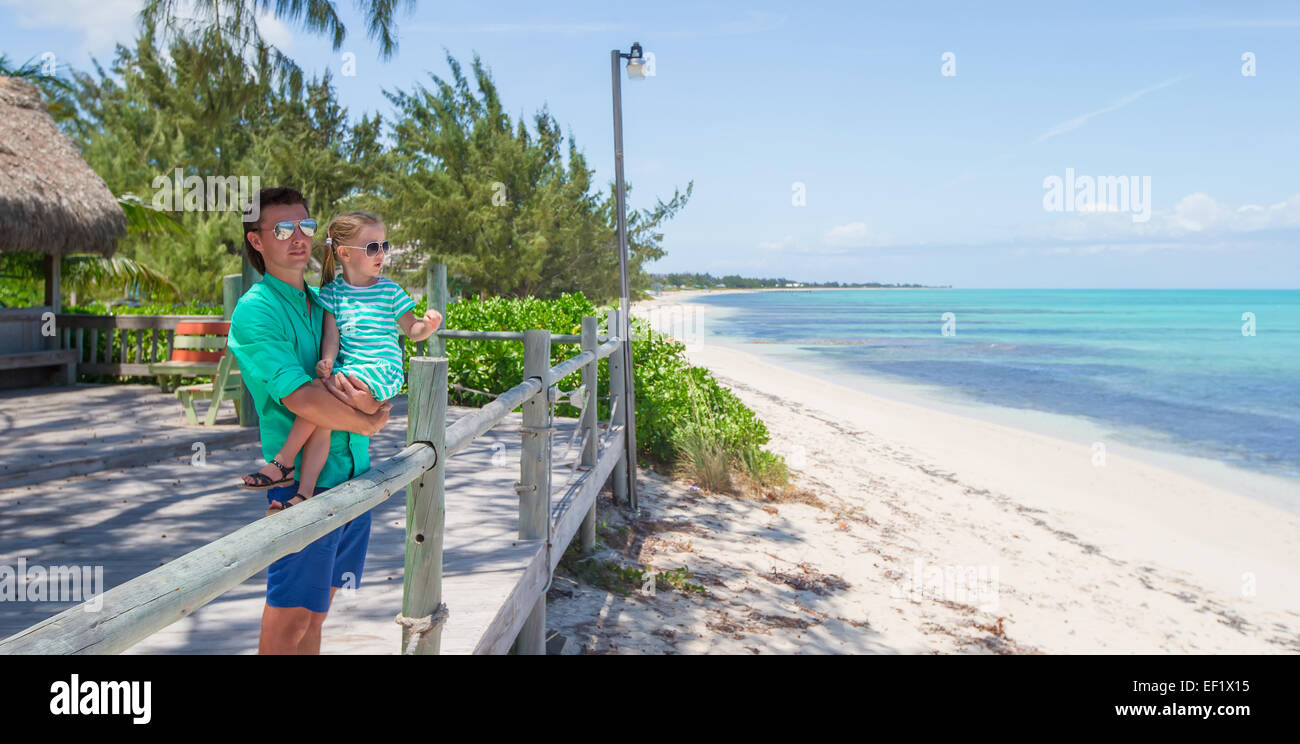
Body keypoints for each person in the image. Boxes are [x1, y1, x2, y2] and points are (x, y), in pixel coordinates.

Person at [227, 186, 391, 654]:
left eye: (305, 225)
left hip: (356, 475)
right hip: (305, 486)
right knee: (289, 621)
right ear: (256, 241)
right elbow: (302, 398)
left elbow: (366, 369)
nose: (297, 237)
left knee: (317, 617)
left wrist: (373, 407)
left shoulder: (325, 303)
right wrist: (369, 421)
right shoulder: (256, 310)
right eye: (282, 228)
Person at [238, 210, 442, 502]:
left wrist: (429, 325)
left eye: (385, 246)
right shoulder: (332, 294)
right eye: (373, 247)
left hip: (380, 370)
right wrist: (328, 360)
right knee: (322, 418)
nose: (381, 253)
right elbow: (332, 338)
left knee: (318, 395)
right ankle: (303, 492)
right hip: (350, 370)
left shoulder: (389, 291)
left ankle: (283, 462)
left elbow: (412, 329)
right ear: (344, 253)